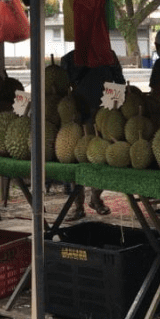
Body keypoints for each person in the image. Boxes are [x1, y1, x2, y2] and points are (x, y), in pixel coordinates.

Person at [60, 50, 125, 219]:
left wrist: (114, 109)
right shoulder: (70, 59)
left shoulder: (109, 55)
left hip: (105, 114)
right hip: (80, 114)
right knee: (77, 159)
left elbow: (119, 82)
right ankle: (78, 206)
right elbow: (63, 86)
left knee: (101, 157)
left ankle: (95, 198)